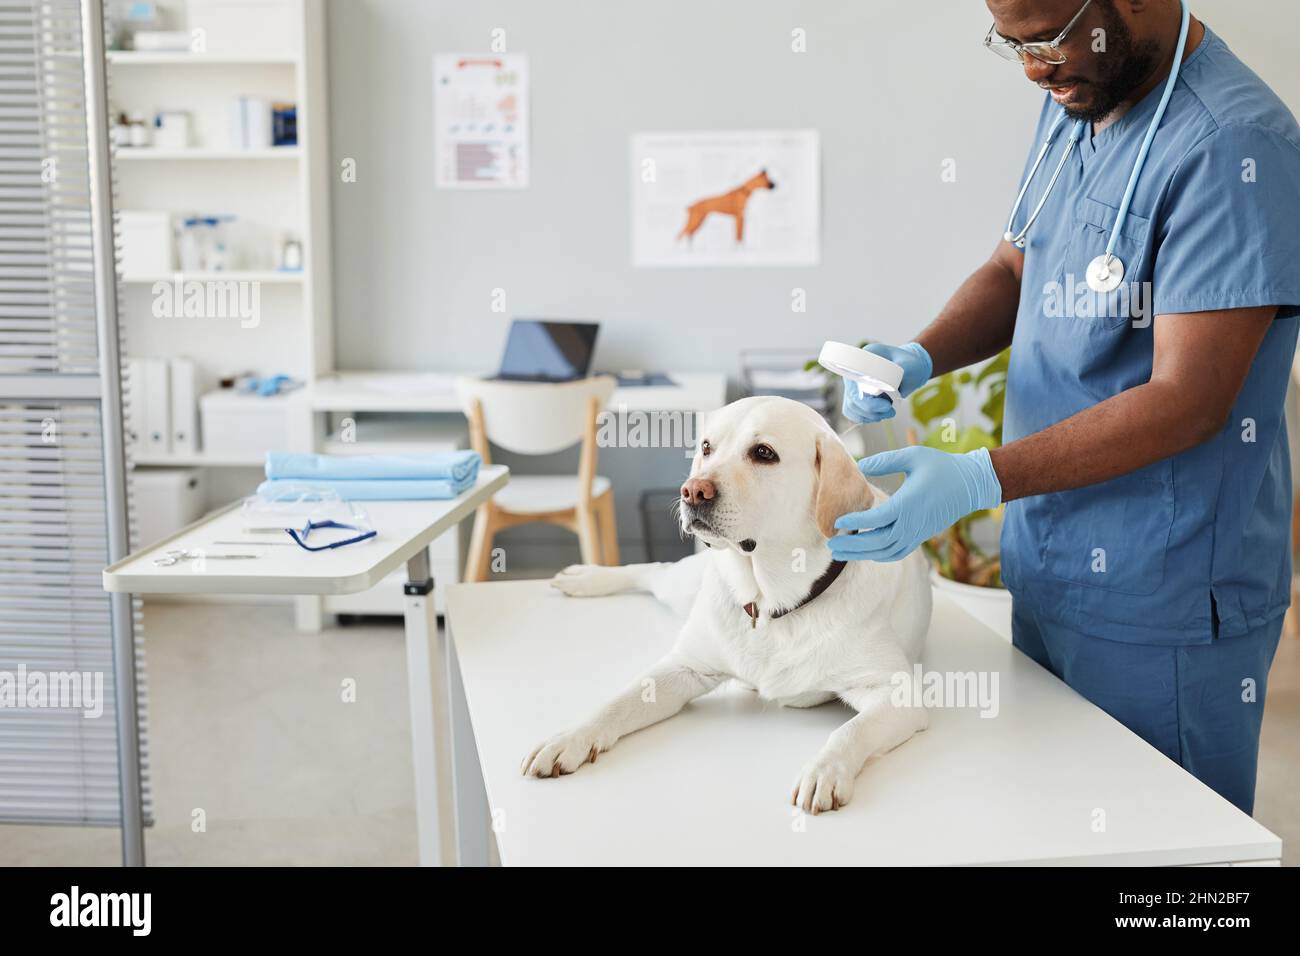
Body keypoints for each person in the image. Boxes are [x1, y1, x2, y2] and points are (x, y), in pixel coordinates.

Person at [832, 0, 1300, 815]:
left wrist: (980, 477)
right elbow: (1015, 268)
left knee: (1165, 865)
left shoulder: (1232, 144)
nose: (1035, 68)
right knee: (1066, 822)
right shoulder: (1081, 97)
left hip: (1165, 597)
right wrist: (917, 357)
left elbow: (1188, 401)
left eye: (1049, 38)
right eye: (1010, 45)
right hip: (1049, 565)